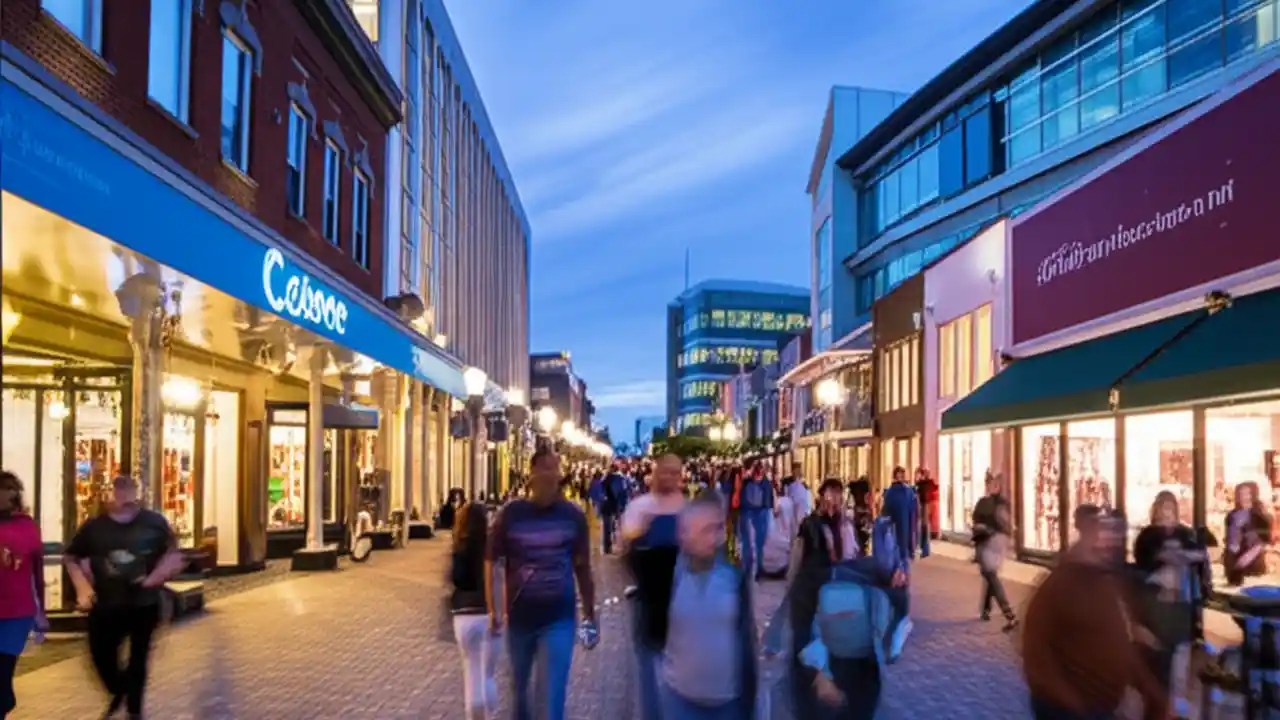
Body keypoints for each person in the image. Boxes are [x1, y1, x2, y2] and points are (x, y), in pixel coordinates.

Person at [1022, 506, 1167, 720]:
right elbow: (1036, 654)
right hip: (1070, 710)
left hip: (1098, 707)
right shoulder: (1060, 585)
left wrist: (1152, 693)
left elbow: (1119, 645)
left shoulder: (1107, 583)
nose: (1109, 545)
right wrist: (1071, 705)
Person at [486, 448, 596, 720]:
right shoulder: (512, 514)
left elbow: (582, 566)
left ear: (560, 476)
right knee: (520, 691)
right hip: (520, 618)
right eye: (543, 469)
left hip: (558, 617)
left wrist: (590, 615)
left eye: (553, 469)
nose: (549, 475)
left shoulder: (573, 516)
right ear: (531, 474)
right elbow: (491, 559)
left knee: (551, 694)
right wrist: (493, 608)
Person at [64, 475, 184, 720]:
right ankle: (119, 689)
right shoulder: (94, 528)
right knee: (101, 655)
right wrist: (82, 588)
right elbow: (72, 557)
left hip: (144, 602)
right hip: (106, 603)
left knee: (138, 657)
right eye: (119, 494)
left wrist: (158, 576)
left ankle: (134, 710)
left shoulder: (154, 523)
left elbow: (174, 554)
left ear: (136, 495)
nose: (124, 499)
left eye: (128, 494)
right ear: (110, 496)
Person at [660, 492, 757, 719]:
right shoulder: (671, 576)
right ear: (685, 534)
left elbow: (746, 640)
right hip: (680, 701)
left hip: (727, 703)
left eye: (717, 528)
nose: (713, 538)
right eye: (705, 530)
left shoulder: (733, 577)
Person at [620, 454, 686, 720]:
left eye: (674, 472)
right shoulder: (640, 508)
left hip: (684, 603)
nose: (669, 477)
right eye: (664, 472)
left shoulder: (688, 510)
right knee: (649, 670)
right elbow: (626, 551)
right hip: (649, 600)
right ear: (654, 473)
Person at [1132, 491, 1207, 688]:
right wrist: (1177, 556)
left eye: (1170, 507)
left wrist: (1179, 555)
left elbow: (1201, 554)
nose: (1167, 512)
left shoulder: (1185, 532)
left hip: (1182, 601)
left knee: (1182, 653)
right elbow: (1148, 560)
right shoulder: (1147, 535)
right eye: (1163, 507)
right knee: (1158, 655)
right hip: (1156, 602)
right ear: (1156, 509)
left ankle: (1176, 704)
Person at [0, 471, 47, 720]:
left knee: (3, 675)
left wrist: (41, 613)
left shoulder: (26, 526)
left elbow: (35, 572)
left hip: (15, 613)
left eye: (10, 490)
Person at [451, 502, 498, 720]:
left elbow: (456, 579)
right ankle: (489, 713)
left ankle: (475, 715)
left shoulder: (459, 547)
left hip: (463, 614)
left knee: (471, 671)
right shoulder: (491, 547)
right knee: (488, 673)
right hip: (487, 612)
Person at [972, 471, 1017, 632]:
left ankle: (1009, 614)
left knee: (991, 577)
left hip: (989, 544)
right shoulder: (1003, 503)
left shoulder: (985, 503)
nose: (992, 486)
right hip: (998, 544)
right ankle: (985, 609)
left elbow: (977, 524)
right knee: (990, 576)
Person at [1223, 481, 1271, 586]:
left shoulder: (1260, 516)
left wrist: (1243, 561)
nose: (1243, 497)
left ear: (1253, 495)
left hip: (1253, 568)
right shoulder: (1231, 515)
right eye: (1240, 493)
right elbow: (1230, 542)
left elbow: (1262, 543)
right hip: (1233, 566)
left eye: (1246, 493)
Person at [738, 464, 775, 580]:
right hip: (756, 511)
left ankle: (750, 568)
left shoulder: (748, 482)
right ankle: (754, 568)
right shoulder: (765, 483)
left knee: (751, 541)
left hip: (750, 511)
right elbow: (769, 499)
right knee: (756, 541)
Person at [879, 466, 919, 566]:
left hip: (898, 526)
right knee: (901, 551)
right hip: (902, 525)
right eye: (899, 475)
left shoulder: (893, 492)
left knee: (896, 549)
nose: (901, 477)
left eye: (902, 474)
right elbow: (913, 512)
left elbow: (885, 511)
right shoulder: (905, 492)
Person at [601, 464, 630, 555]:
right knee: (617, 526)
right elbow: (622, 492)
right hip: (614, 505)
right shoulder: (620, 479)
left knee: (607, 527)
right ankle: (619, 545)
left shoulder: (604, 479)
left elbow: (599, 492)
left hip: (606, 506)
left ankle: (607, 547)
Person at [914, 467, 937, 559]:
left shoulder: (928, 483)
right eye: (924, 473)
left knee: (924, 526)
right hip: (922, 505)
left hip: (925, 505)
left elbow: (926, 492)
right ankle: (923, 549)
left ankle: (925, 549)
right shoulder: (922, 483)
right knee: (922, 527)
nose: (925, 475)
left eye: (926, 473)